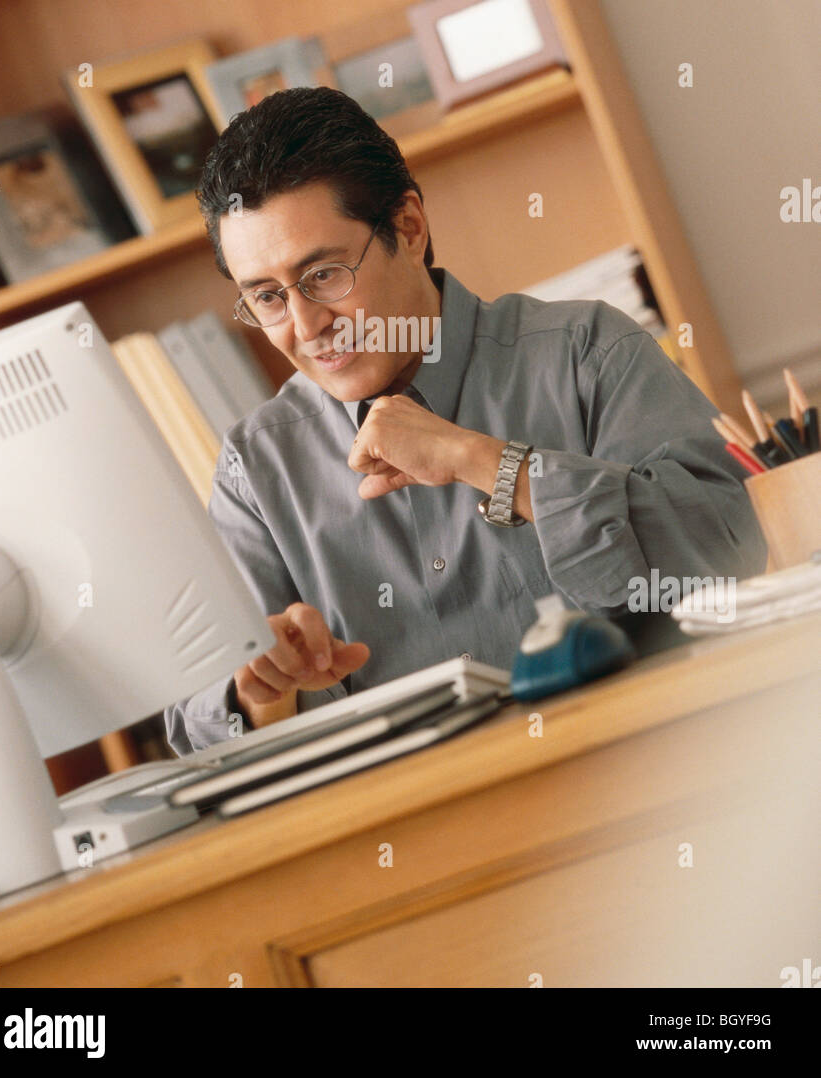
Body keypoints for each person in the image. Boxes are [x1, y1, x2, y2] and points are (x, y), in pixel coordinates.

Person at [164, 86, 766, 755]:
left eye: (325, 274)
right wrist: (259, 692)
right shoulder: (257, 467)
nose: (305, 327)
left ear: (410, 227)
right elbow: (194, 719)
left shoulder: (586, 351)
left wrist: (489, 464)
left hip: (664, 776)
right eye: (267, 297)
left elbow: (736, 549)